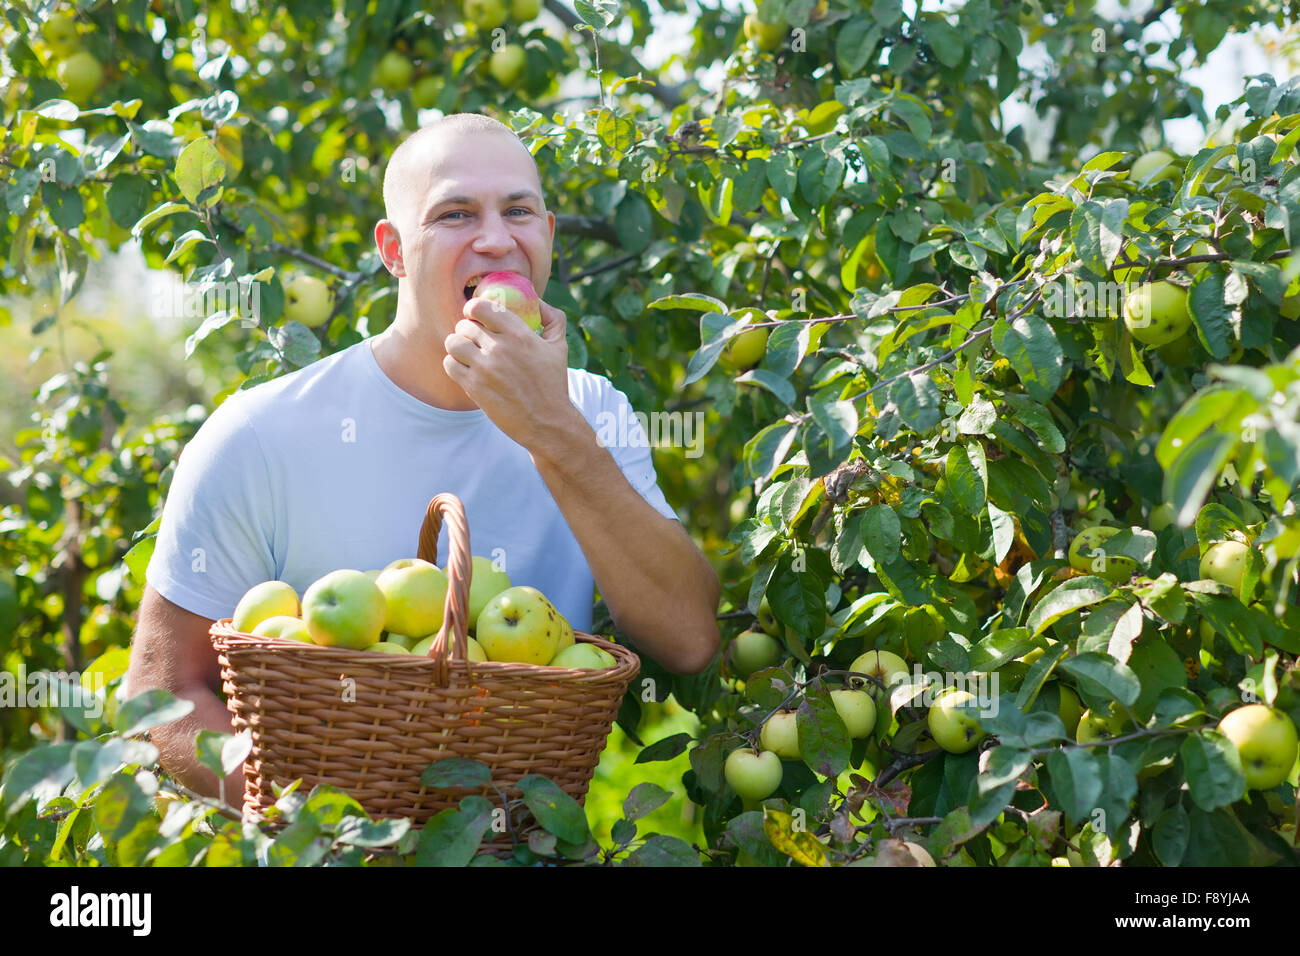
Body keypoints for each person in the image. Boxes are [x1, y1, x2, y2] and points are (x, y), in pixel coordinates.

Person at [125, 113, 721, 806]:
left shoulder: (594, 413)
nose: (497, 238)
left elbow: (686, 640)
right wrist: (321, 839)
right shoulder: (262, 433)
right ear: (394, 250)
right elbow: (160, 694)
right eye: (455, 213)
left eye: (519, 211)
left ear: (549, 237)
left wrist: (553, 431)